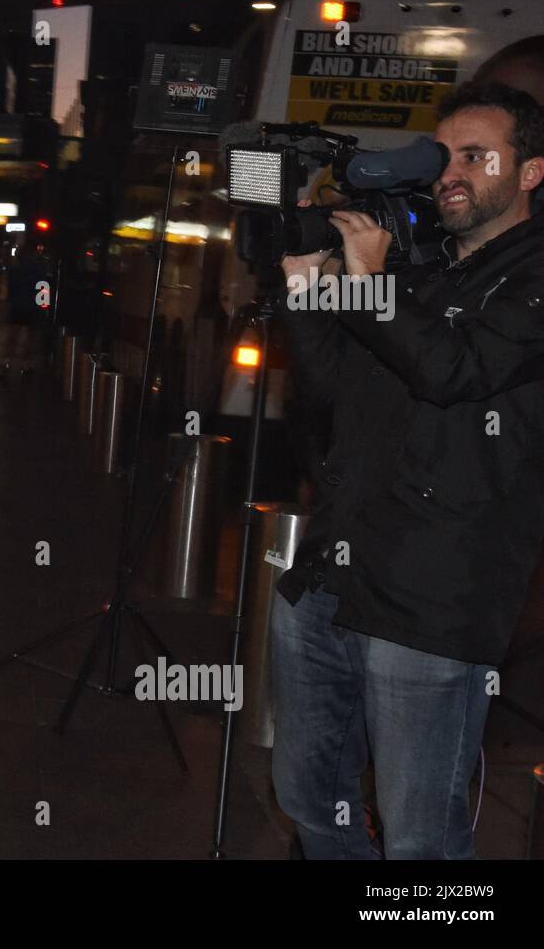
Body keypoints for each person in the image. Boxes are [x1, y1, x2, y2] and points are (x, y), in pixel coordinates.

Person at [271, 82, 544, 859]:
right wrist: (306, 283)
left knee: (418, 835)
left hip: (432, 600)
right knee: (309, 798)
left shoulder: (531, 278)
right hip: (333, 578)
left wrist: (368, 283)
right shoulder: (422, 270)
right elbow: (330, 388)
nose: (448, 172)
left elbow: (454, 369)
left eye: (473, 156)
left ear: (530, 172)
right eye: (441, 155)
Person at [0, 243, 48, 380]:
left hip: (17, 306)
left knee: (12, 336)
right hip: (33, 307)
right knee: (31, 338)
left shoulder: (15, 269)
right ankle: (26, 365)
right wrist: (44, 306)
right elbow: (43, 287)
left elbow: (8, 289)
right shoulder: (39, 268)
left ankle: (6, 362)